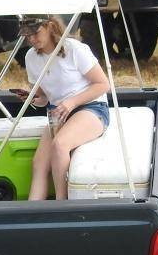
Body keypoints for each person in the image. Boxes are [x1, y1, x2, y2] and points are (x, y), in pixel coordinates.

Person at [16, 16, 111, 201]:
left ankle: (62, 205)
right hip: (58, 112)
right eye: (27, 36)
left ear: (50, 26)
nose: (32, 40)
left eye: (35, 33)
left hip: (91, 107)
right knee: (39, 163)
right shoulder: (31, 57)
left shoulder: (74, 49)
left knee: (59, 145)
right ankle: (32, 217)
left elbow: (102, 84)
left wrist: (72, 102)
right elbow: (44, 97)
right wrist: (33, 98)